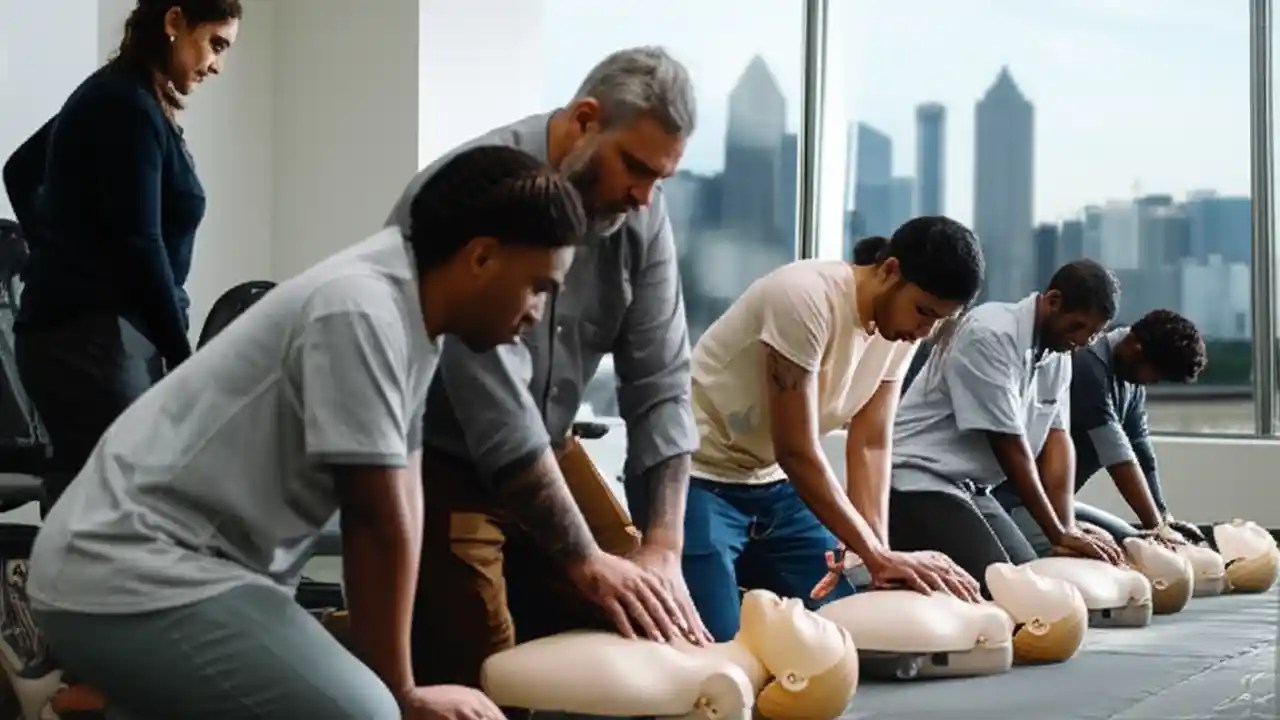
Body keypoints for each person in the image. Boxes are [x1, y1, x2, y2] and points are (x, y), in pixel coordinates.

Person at [25, 145, 587, 720]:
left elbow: (405, 500)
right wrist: (401, 693)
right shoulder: (362, 309)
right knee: (366, 714)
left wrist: (404, 680)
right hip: (124, 569)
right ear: (481, 257)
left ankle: (96, 707)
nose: (538, 313)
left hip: (199, 574)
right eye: (538, 287)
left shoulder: (415, 318)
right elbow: (375, 520)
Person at [386, 46, 707, 689]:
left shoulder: (641, 209)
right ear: (585, 120)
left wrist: (663, 548)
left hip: (550, 450)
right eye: (635, 168)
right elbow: (499, 420)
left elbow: (662, 385)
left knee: (657, 631)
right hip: (441, 458)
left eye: (660, 179)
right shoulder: (481, 189)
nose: (645, 197)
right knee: (489, 674)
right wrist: (584, 560)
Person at [681, 219, 986, 641]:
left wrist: (881, 559)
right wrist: (874, 554)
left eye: (939, 321)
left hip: (772, 486)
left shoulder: (901, 331)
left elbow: (872, 444)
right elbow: (796, 449)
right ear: (890, 270)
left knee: (851, 629)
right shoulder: (805, 296)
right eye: (923, 312)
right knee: (720, 646)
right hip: (694, 476)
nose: (924, 331)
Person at [3, 0, 242, 510]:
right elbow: (141, 243)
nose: (218, 65)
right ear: (174, 22)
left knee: (99, 507)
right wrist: (183, 358)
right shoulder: (125, 105)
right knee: (119, 511)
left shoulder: (126, 98)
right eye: (215, 43)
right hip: (91, 343)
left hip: (100, 336)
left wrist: (61, 252)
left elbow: (20, 171)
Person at [887, 260, 1128, 596]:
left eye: (1094, 334)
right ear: (1053, 300)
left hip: (974, 492)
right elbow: (1009, 446)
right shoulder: (990, 333)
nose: (1082, 340)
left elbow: (1058, 442)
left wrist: (1066, 529)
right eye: (1078, 326)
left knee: (1034, 582)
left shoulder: (1059, 355)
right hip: (918, 480)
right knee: (1008, 594)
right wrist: (1056, 532)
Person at [996, 308, 1209, 554]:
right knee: (1104, 557)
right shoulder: (1088, 365)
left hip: (1058, 506)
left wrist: (1164, 518)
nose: (1153, 382)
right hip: (1017, 504)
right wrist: (1157, 528)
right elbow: (1118, 459)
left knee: (1135, 542)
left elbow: (1141, 450)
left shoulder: (1131, 381)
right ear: (1136, 348)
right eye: (1156, 375)